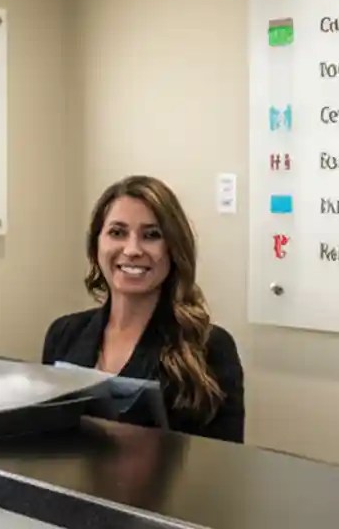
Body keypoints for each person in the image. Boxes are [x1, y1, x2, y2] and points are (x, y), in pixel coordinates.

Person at [42, 175, 245, 443]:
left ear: (174, 249)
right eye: (117, 232)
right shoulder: (64, 334)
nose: (132, 249)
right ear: (96, 245)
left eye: (151, 235)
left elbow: (223, 465)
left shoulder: (209, 347)